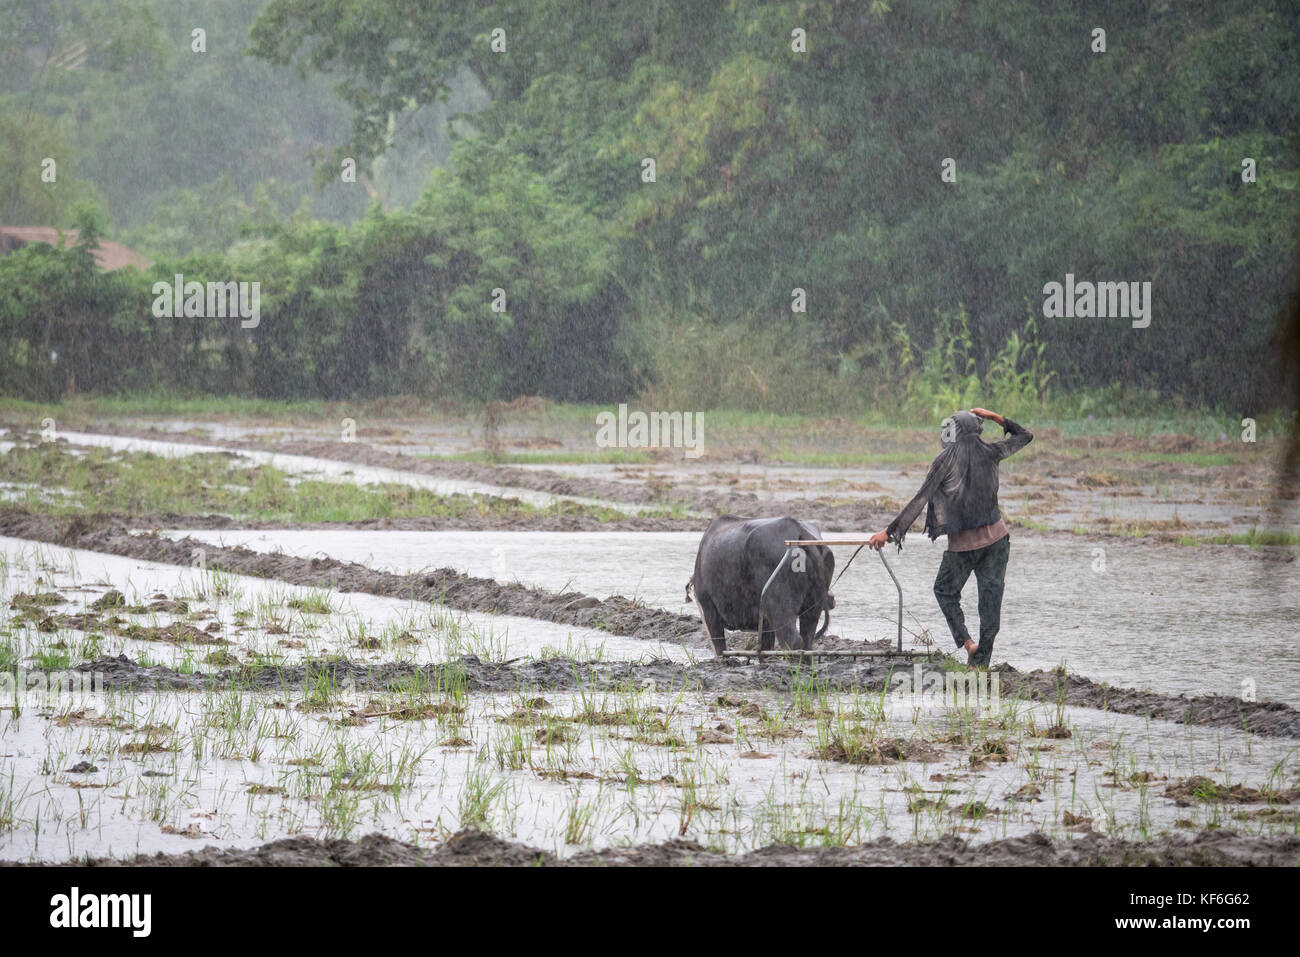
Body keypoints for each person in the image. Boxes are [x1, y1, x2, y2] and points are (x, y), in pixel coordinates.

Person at [867, 408, 1033, 666]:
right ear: (976, 430)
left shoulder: (943, 461)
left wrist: (888, 533)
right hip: (996, 541)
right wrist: (996, 418)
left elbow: (920, 499)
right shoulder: (992, 452)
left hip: (963, 547)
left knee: (944, 590)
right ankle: (980, 664)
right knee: (990, 608)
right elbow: (1025, 436)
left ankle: (969, 645)